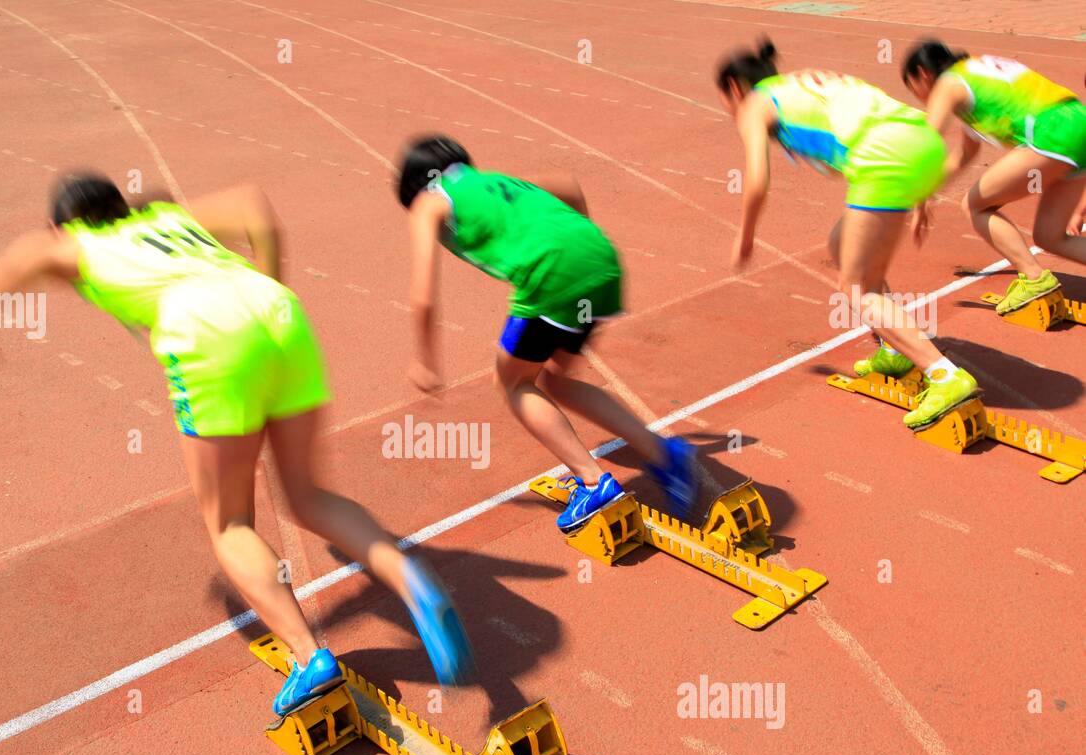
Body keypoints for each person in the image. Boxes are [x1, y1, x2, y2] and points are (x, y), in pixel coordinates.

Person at [0, 173, 474, 715]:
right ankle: (411, 581)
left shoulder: (71, 245)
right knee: (308, 495)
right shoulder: (166, 218)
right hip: (278, 314)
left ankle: (311, 658)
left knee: (230, 524)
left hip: (207, 337)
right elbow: (253, 202)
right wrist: (267, 287)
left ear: (59, 226)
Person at [396, 136, 698, 532]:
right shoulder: (499, 181)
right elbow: (567, 183)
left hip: (552, 277)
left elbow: (422, 296)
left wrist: (426, 361)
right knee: (556, 380)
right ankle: (665, 455)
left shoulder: (428, 202)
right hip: (601, 261)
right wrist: (576, 239)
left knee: (513, 383)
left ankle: (593, 482)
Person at [717, 38, 977, 430]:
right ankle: (895, 347)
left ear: (735, 87)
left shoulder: (754, 104)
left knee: (858, 287)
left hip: (885, 155)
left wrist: (746, 235)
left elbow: (756, 180)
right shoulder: (799, 83)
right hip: (921, 140)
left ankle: (943, 374)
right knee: (842, 243)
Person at [902, 41, 1086, 312]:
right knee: (1050, 236)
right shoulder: (972, 75)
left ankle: (1034, 278)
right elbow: (964, 155)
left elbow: (928, 140)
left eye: (912, 86)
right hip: (1077, 122)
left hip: (1051, 133)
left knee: (976, 205)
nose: (917, 96)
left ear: (923, 74)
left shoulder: (947, 84)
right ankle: (1034, 275)